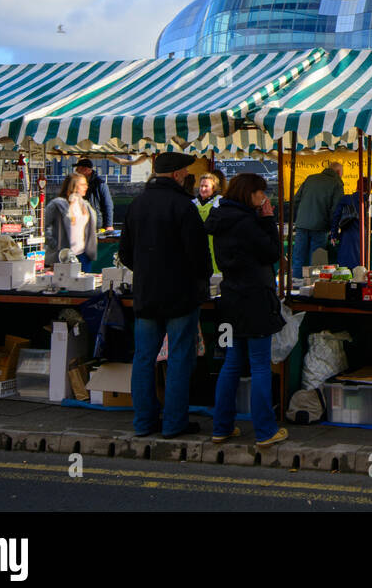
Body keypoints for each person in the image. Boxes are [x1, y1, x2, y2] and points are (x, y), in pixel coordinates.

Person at [119, 151, 213, 439]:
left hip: (146, 294)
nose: (187, 175)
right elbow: (199, 257)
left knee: (144, 359)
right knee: (179, 358)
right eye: (184, 171)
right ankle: (173, 423)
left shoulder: (137, 205)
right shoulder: (184, 207)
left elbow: (125, 253)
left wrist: (147, 272)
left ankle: (143, 422)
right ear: (176, 175)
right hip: (180, 295)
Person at [206, 173, 287, 447]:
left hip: (230, 298)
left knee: (231, 364)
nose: (264, 198)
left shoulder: (220, 218)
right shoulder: (249, 223)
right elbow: (272, 253)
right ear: (249, 193)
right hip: (255, 299)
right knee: (260, 365)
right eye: (260, 193)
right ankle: (265, 431)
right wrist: (268, 220)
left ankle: (221, 427)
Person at [291, 161, 344, 280]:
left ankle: (296, 283)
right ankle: (313, 286)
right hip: (320, 226)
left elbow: (296, 199)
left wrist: (301, 216)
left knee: (298, 256)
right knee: (316, 259)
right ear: (339, 172)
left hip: (301, 224)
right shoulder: (336, 184)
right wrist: (333, 228)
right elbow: (336, 210)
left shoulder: (310, 178)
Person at [44, 172, 99, 271]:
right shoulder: (56, 205)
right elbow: (45, 226)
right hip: (62, 256)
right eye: (82, 184)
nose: (86, 187)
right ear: (73, 186)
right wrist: (55, 245)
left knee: (84, 285)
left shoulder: (86, 206)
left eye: (86, 184)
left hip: (83, 255)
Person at [331, 177, 372, 270]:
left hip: (346, 237)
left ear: (357, 186)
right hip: (363, 238)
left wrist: (333, 235)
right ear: (370, 188)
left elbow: (335, 217)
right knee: (361, 267)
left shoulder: (346, 199)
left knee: (344, 269)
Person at [195, 172, 225, 274]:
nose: (203, 189)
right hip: (198, 246)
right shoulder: (193, 202)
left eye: (206, 186)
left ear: (214, 188)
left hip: (216, 246)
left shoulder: (220, 201)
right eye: (201, 186)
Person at [75, 158, 114, 231]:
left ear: (86, 170)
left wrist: (109, 225)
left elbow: (108, 205)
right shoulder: (77, 182)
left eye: (78, 169)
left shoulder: (100, 184)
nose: (76, 171)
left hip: (96, 224)